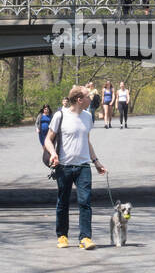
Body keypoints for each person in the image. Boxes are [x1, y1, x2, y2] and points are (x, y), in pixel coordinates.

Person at [43, 84, 107, 250]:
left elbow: (87, 141)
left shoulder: (87, 117)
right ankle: (62, 236)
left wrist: (96, 161)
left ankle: (85, 238)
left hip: (83, 166)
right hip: (63, 166)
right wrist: (53, 154)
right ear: (79, 100)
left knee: (85, 202)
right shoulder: (60, 115)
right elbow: (48, 140)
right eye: (87, 96)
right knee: (63, 202)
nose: (90, 99)